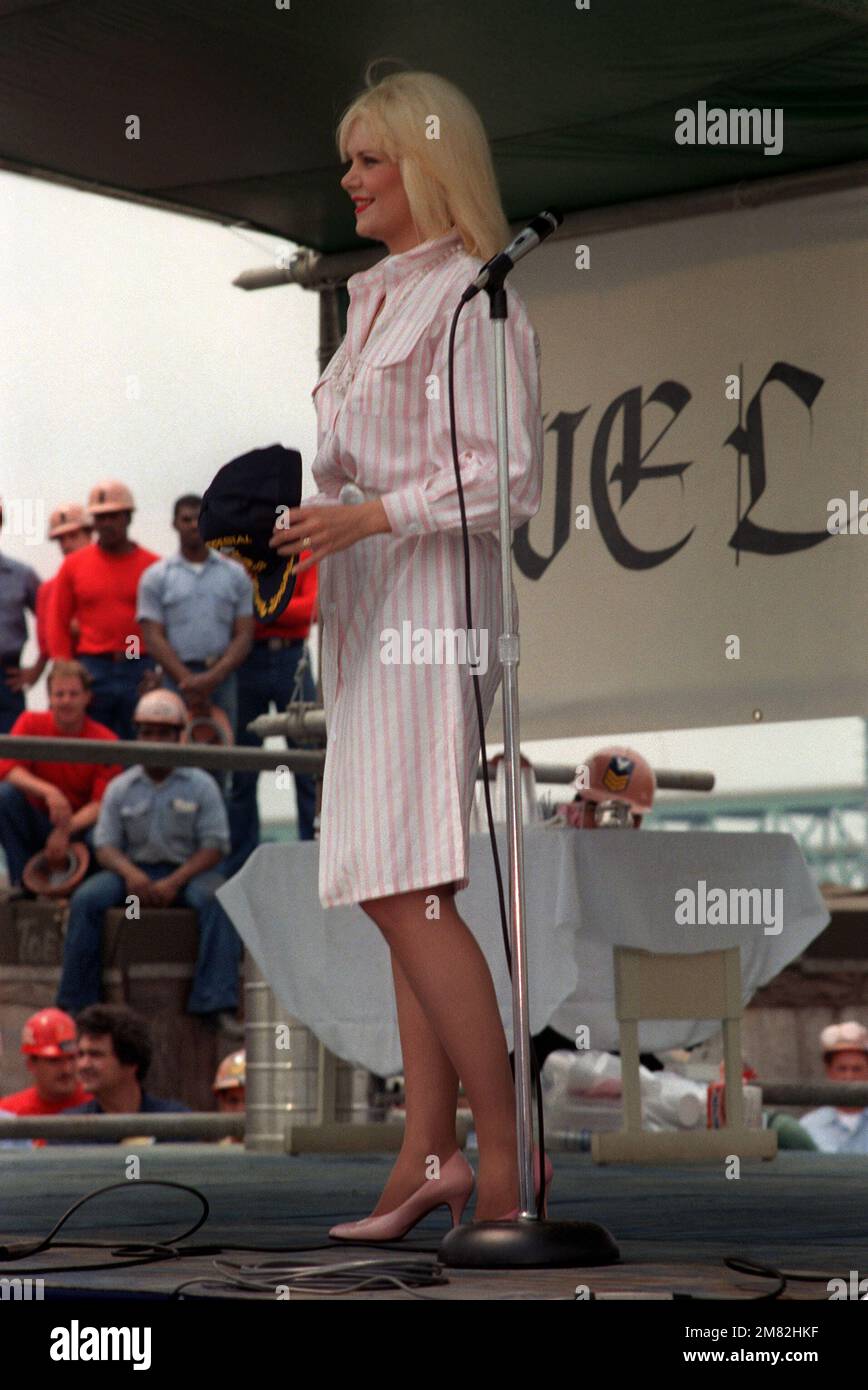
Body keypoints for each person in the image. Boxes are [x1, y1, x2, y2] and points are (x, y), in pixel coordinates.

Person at [269, 69, 545, 1235]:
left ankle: (505, 1162)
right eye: (349, 159)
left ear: (428, 166)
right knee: (409, 883)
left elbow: (508, 474)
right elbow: (353, 465)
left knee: (398, 884)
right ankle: (429, 1150)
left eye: (368, 159)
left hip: (437, 601)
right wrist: (304, 522)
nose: (349, 179)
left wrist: (372, 516)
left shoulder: (477, 301)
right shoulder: (373, 297)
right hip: (370, 610)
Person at [55, 688, 243, 1034]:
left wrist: (174, 881)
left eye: (162, 733)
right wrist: (133, 876)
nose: (154, 741)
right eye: (147, 732)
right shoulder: (121, 787)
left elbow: (215, 846)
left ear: (178, 736)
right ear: (137, 735)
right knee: (86, 901)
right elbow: (106, 846)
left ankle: (215, 1002)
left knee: (220, 901)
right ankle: (77, 1004)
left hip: (187, 873)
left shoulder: (201, 785)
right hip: (133, 872)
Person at [226, 545, 318, 872]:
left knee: (308, 761)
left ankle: (315, 852)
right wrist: (277, 609)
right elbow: (228, 611)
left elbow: (313, 609)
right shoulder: (236, 557)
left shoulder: (303, 555)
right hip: (245, 659)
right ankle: (241, 860)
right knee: (242, 767)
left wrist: (258, 610)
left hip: (292, 657)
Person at [45, 480, 160, 740]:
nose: (106, 523)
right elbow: (57, 621)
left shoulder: (152, 567)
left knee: (140, 743)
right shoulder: (74, 565)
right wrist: (65, 672)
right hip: (92, 666)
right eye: (99, 517)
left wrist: (159, 671)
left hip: (136, 660)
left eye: (113, 516)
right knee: (93, 748)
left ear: (128, 517)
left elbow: (165, 624)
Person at [136, 494, 255, 740]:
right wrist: (187, 680)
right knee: (174, 756)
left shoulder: (236, 575)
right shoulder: (156, 577)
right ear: (174, 524)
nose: (193, 525)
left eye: (199, 518)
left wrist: (214, 677)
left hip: (222, 679)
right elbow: (153, 636)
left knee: (222, 759)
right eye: (186, 519)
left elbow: (244, 634)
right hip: (175, 680)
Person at [0, 660, 122, 889]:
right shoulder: (30, 722)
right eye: (59, 694)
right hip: (39, 819)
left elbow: (102, 802)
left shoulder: (106, 740)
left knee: (103, 832)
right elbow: (6, 768)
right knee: (4, 796)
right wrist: (50, 792)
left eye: (73, 694)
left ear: (87, 697)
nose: (66, 701)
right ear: (49, 698)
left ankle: (86, 890)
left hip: (81, 826)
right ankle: (21, 885)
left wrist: (65, 830)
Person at [55, 1003, 189, 1142]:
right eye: (81, 1054)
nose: (83, 1065)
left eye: (96, 1055)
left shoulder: (174, 1124)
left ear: (130, 1062)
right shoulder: (70, 1129)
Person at [0, 1009, 93, 1140]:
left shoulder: (99, 1104)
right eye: (54, 1061)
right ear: (31, 1064)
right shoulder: (8, 1113)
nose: (67, 1069)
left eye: (72, 1058)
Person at [0, 499, 44, 732]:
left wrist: (36, 671)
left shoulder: (22, 575)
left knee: (8, 755)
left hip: (7, 680)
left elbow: (52, 622)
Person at [35, 503, 94, 662]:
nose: (67, 545)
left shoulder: (114, 576)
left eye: (73, 536)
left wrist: (134, 659)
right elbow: (46, 646)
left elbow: (131, 630)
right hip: (72, 674)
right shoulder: (47, 591)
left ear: (90, 534)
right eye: (61, 539)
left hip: (125, 670)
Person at [800, 1021, 868, 1153]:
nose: (849, 1077)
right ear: (829, 1072)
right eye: (842, 1069)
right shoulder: (808, 1128)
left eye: (857, 1069)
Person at [212, 1048, 245, 1144]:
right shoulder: (217, 1156)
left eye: (249, 1102)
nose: (241, 1109)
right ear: (222, 1104)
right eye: (233, 1101)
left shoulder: (280, 1154)